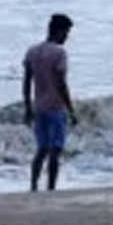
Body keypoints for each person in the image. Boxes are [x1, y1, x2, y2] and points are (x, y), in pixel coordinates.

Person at [23, 13, 78, 191]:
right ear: (59, 31)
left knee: (42, 149)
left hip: (39, 107)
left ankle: (33, 186)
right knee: (55, 150)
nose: (67, 37)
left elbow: (26, 81)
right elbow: (61, 83)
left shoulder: (32, 51)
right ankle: (51, 188)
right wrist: (71, 109)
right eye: (67, 32)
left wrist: (27, 107)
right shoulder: (59, 53)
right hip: (56, 107)